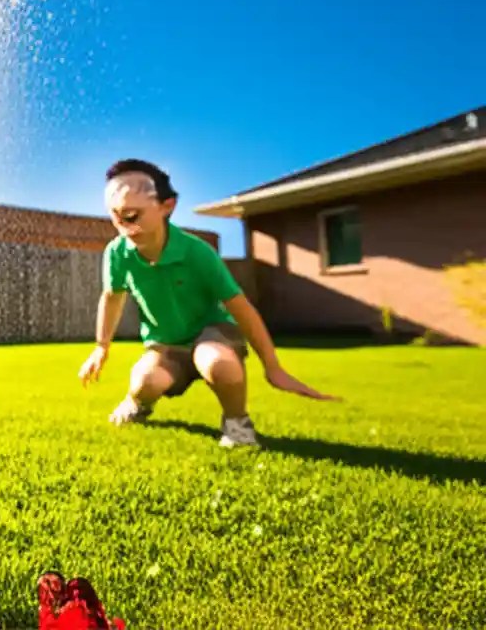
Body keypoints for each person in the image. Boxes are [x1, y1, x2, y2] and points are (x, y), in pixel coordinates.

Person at [78, 159, 339, 448]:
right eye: (117, 216)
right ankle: (137, 404)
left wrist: (272, 366)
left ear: (167, 206)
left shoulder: (197, 253)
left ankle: (237, 423)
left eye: (133, 214)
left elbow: (241, 307)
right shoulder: (117, 253)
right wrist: (101, 346)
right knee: (145, 382)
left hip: (212, 333)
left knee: (217, 362)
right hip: (166, 344)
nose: (125, 224)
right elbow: (112, 296)